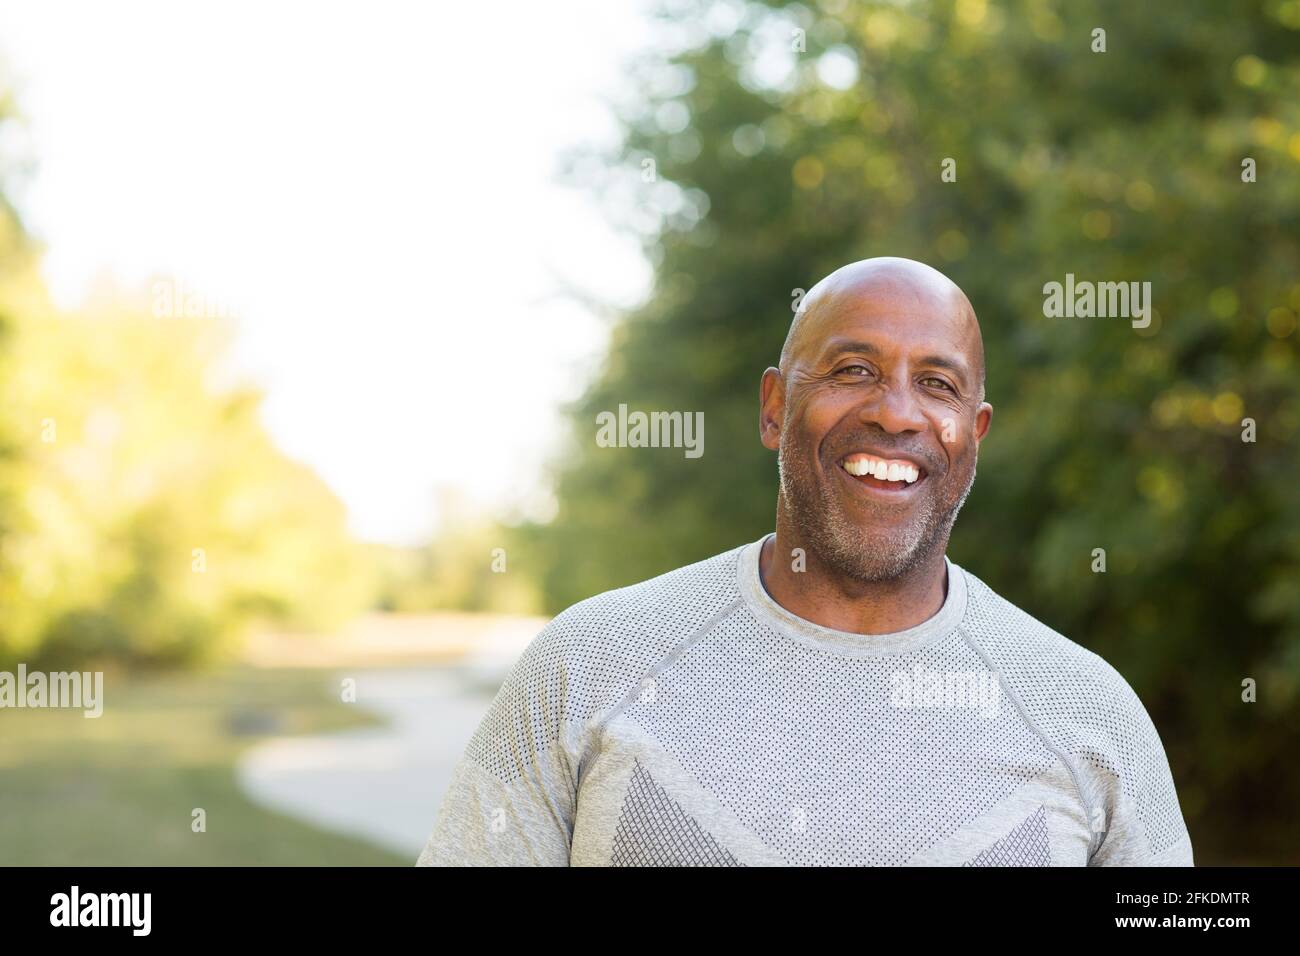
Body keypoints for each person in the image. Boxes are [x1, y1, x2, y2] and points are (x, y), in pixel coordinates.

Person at [416, 256, 1194, 866]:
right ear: (774, 407)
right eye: (853, 370)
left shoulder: (1090, 715)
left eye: (936, 383)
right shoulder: (587, 662)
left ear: (974, 432)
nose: (895, 411)